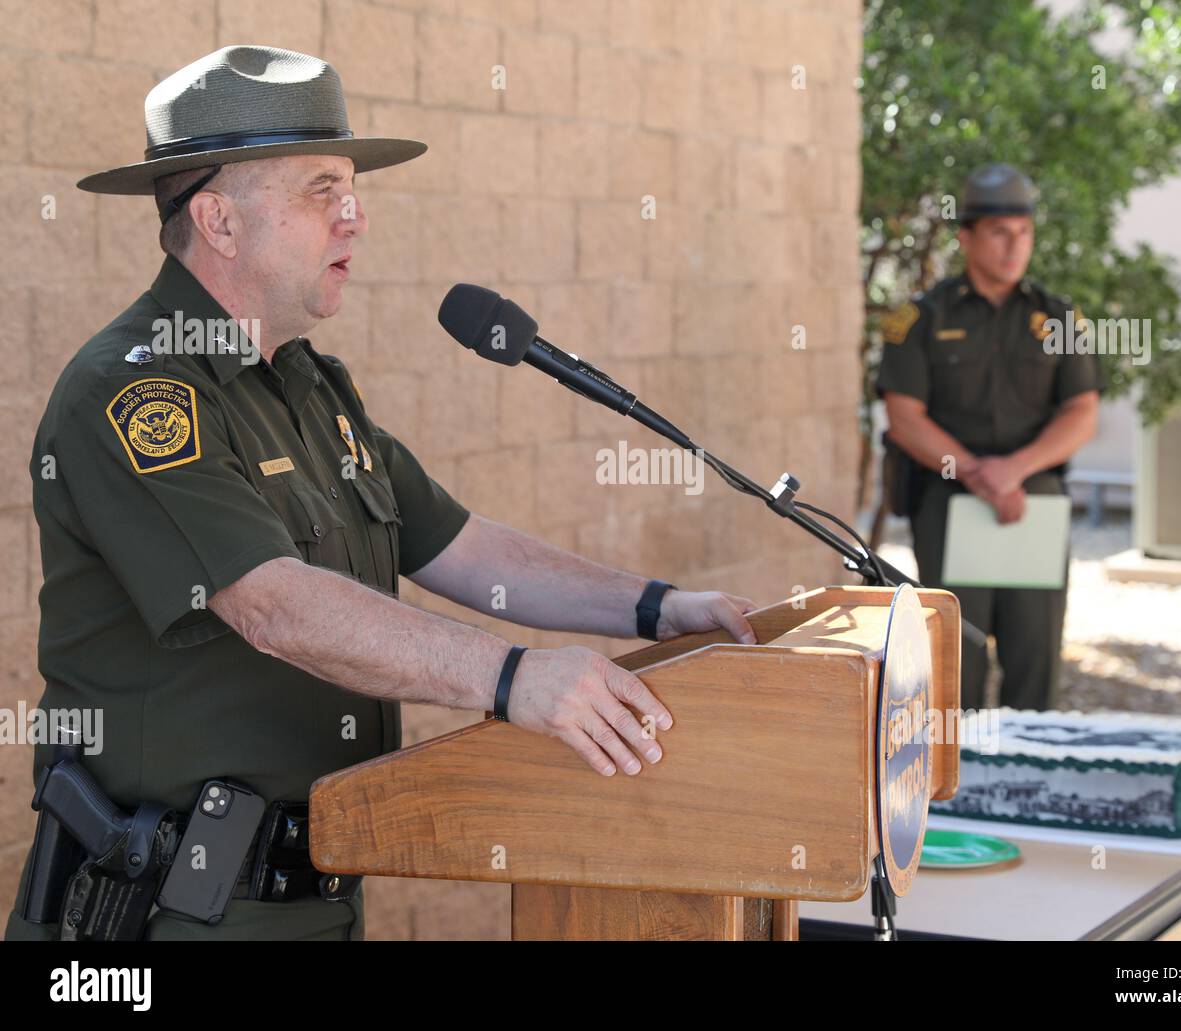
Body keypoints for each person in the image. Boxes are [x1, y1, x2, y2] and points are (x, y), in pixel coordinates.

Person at [5, 45, 757, 942]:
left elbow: (464, 547)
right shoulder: (133, 393)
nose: (356, 217)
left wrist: (661, 608)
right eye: (323, 190)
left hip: (315, 896)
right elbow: (275, 604)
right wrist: (513, 676)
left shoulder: (311, 390)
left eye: (353, 188)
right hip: (164, 914)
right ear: (218, 219)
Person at [876, 163, 1100, 713]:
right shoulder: (920, 319)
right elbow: (904, 417)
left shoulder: (1059, 317)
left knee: (1035, 657)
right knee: (955, 665)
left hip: (1032, 502)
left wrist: (1012, 470)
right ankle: (958, 790)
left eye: (1023, 232)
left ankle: (1031, 779)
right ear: (967, 237)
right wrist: (979, 473)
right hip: (952, 501)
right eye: (1000, 232)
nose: (1013, 245)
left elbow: (1081, 412)